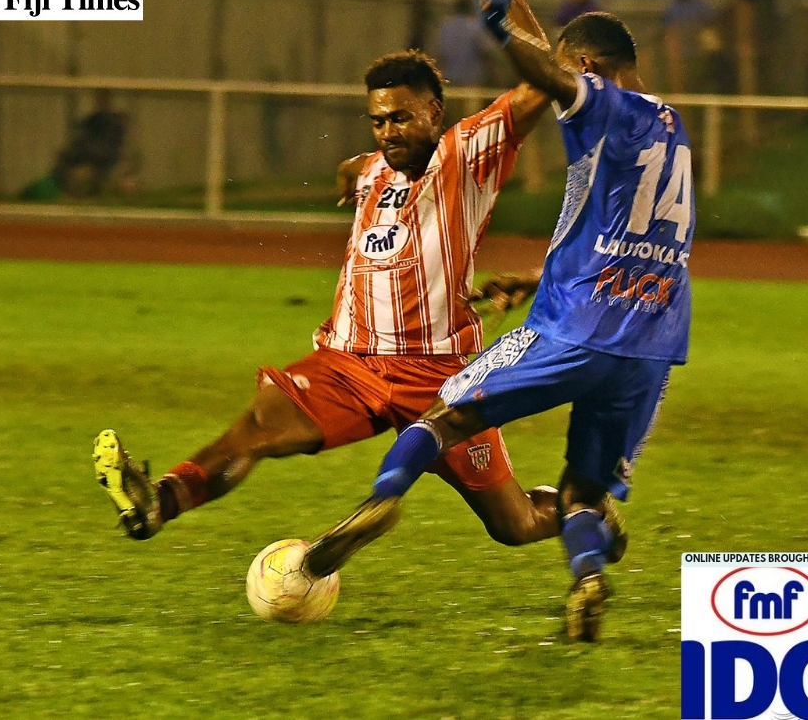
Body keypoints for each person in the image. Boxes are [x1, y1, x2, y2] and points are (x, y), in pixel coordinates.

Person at [304, 0, 696, 643]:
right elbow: (623, 234)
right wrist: (542, 277)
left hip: (576, 328)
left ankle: (382, 500)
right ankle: (587, 578)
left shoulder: (601, 100)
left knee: (444, 414)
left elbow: (544, 73)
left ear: (593, 71)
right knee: (583, 491)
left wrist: (499, 16)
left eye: (573, 76)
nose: (564, 89)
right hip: (653, 342)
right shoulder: (672, 127)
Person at [92, 48, 580, 556]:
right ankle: (159, 502)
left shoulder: (468, 154)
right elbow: (358, 166)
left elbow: (535, 89)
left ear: (434, 112)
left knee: (513, 523)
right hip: (346, 362)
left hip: (437, 375)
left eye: (401, 118)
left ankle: (586, 513)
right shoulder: (372, 168)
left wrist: (516, 9)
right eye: (378, 121)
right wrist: (351, 169)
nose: (388, 131)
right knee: (254, 431)